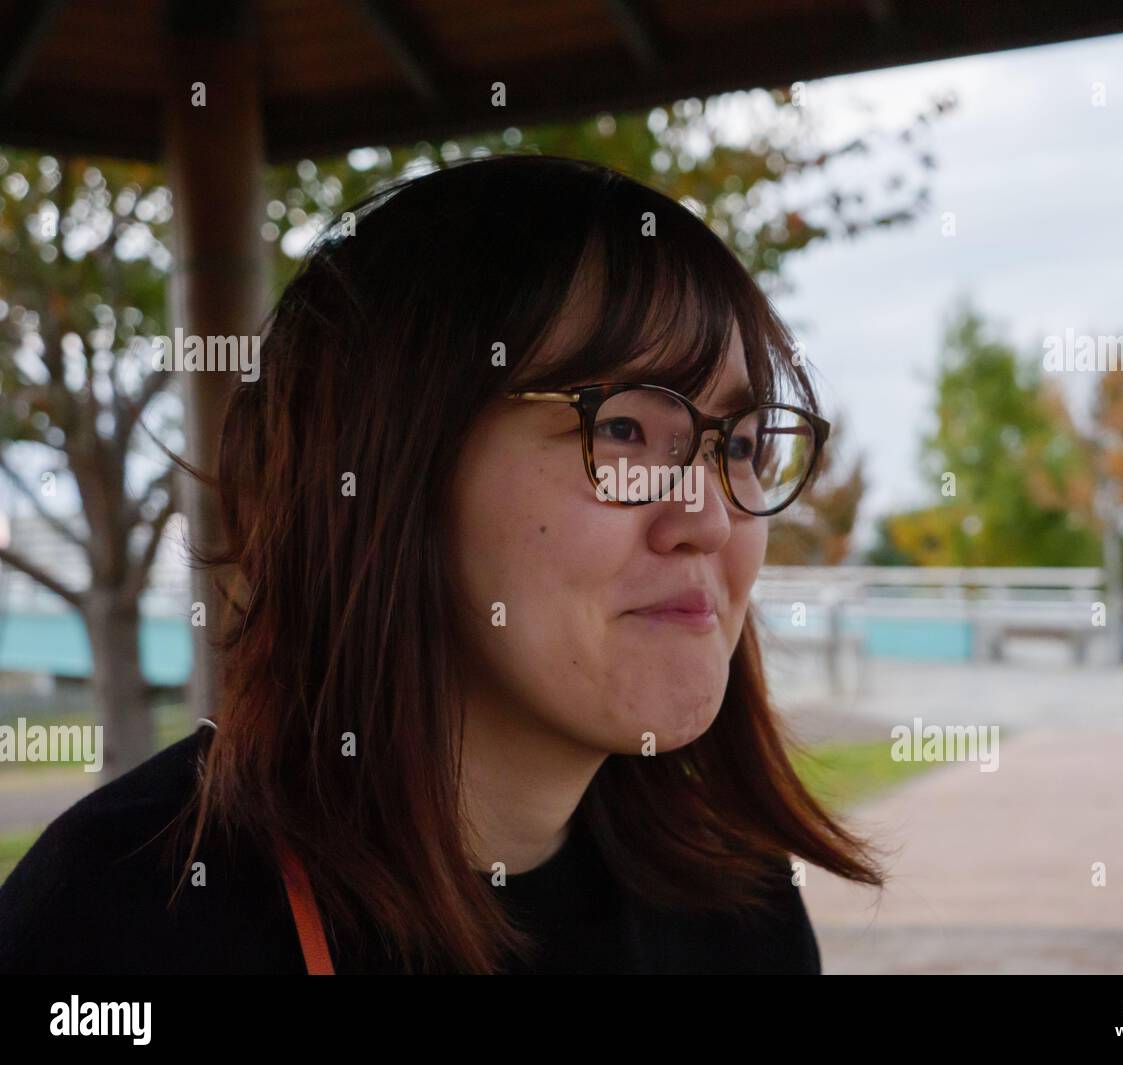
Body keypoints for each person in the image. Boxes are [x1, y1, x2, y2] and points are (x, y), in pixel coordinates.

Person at [0, 154, 883, 974]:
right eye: (623, 429)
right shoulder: (116, 930)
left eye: (739, 444)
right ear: (392, 470)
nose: (709, 518)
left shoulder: (737, 908)